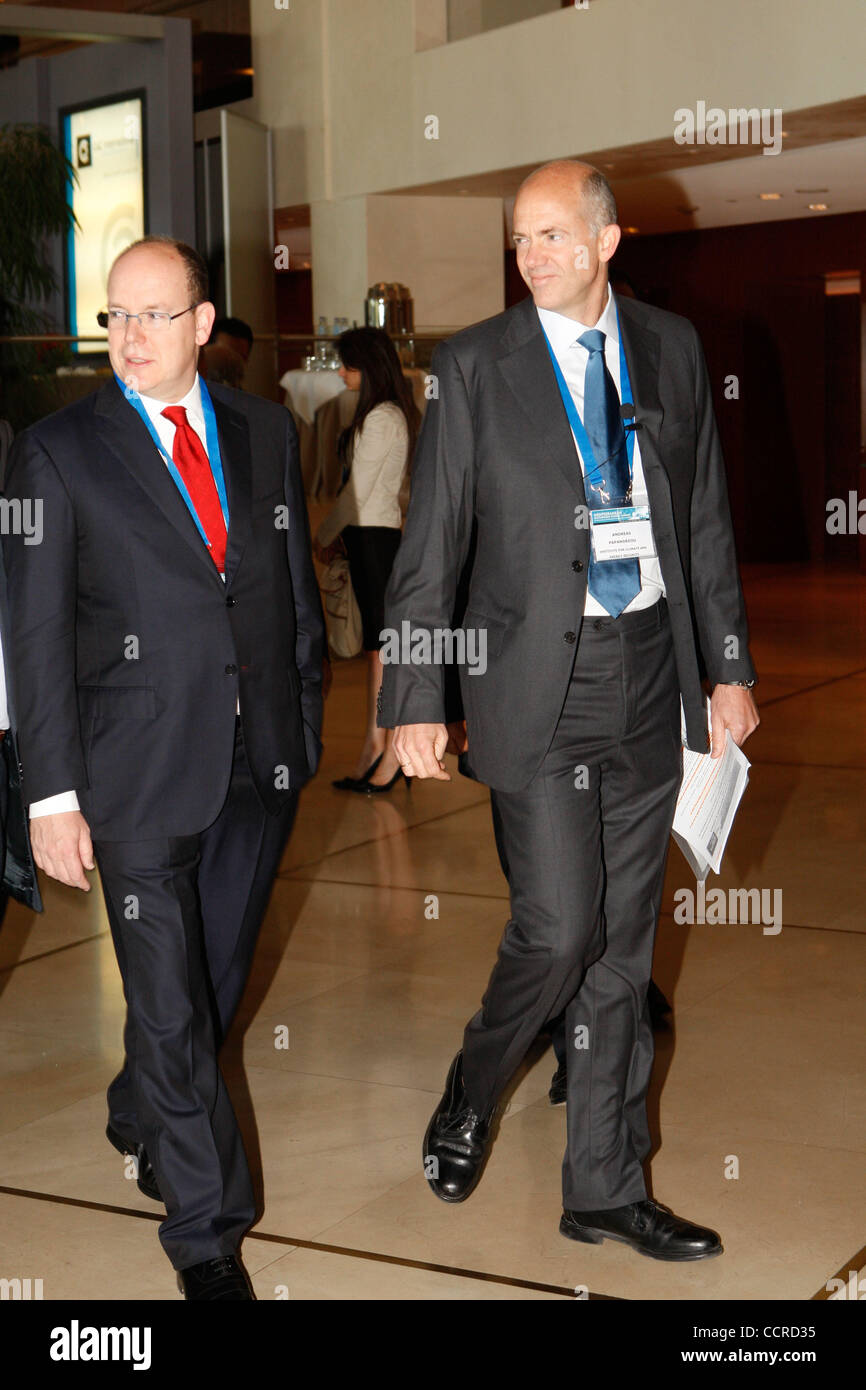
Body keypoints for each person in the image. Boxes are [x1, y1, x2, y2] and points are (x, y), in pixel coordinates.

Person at [380, 160, 759, 1263]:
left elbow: (699, 518)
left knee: (620, 950)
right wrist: (412, 692)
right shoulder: (475, 365)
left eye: (552, 235)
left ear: (605, 241)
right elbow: (429, 545)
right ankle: (475, 1081)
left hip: (650, 670)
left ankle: (602, 1182)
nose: (530, 254)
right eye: (519, 238)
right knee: (556, 929)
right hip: (533, 681)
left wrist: (724, 665)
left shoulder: (669, 347)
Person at [3, 235, 325, 1299]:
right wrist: (51, 794)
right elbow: (35, 637)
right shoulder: (61, 450)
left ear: (201, 325)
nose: (130, 338)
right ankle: (205, 1231)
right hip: (133, 771)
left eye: (153, 316)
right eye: (115, 317)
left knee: (217, 981)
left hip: (255, 759)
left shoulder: (264, 431)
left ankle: (139, 1104)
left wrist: (304, 718)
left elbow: (286, 592)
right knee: (172, 1007)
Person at [314, 327, 419, 793]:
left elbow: (356, 494)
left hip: (376, 539)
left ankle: (388, 749)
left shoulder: (383, 417)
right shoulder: (383, 413)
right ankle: (377, 744)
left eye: (348, 365)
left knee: (385, 650)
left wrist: (321, 534)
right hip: (368, 537)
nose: (340, 373)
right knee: (380, 651)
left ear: (369, 368)